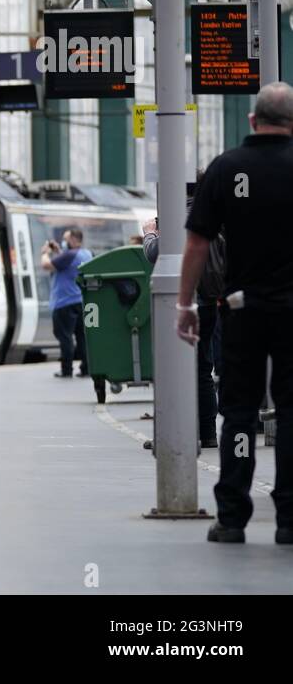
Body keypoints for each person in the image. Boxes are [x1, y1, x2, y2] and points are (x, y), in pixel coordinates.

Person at [177, 81, 293, 546]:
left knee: (240, 412)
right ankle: (288, 520)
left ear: (252, 120)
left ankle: (232, 518)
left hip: (241, 310)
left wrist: (185, 304)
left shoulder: (226, 168)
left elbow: (196, 243)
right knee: (291, 411)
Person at [143, 184, 227, 448]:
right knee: (203, 368)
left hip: (183, 300)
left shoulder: (176, 214)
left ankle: (172, 434)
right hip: (210, 300)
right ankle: (208, 433)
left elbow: (157, 254)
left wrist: (148, 235)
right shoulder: (215, 211)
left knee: (171, 368)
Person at [41, 228, 92, 378]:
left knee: (65, 337)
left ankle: (67, 369)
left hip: (64, 302)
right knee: (82, 337)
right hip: (81, 301)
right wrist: (58, 252)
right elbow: (67, 264)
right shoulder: (86, 254)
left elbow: (46, 265)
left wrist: (45, 253)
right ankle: (86, 368)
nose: (64, 242)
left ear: (74, 240)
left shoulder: (69, 254)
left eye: (66, 239)